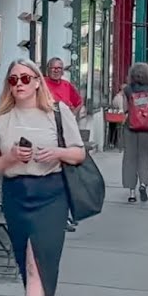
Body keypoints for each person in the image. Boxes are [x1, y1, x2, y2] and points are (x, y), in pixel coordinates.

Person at [0, 59, 86, 296]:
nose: (19, 85)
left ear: (38, 81)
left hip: (51, 193)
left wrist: (57, 153)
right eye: (13, 80)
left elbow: (79, 154)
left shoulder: (57, 113)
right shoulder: (1, 119)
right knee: (25, 263)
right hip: (17, 195)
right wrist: (11, 157)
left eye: (25, 78)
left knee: (37, 262)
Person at [112, 62, 148, 203]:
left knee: (130, 158)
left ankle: (132, 192)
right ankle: (143, 184)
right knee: (145, 157)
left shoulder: (128, 89)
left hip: (131, 127)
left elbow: (125, 108)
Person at [44, 57, 84, 232]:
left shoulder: (67, 86)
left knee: (66, 176)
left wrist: (71, 118)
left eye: (59, 68)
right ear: (47, 69)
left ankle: (65, 214)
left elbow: (78, 102)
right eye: (53, 68)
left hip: (65, 137)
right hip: (48, 134)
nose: (56, 71)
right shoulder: (42, 84)